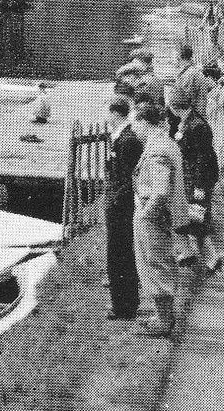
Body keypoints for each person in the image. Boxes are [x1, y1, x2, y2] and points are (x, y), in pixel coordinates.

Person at [131, 103, 190, 337]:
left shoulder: (158, 150)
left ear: (145, 122)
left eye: (136, 122)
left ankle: (164, 321)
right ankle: (162, 314)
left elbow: (161, 190)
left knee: (155, 264)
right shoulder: (166, 144)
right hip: (162, 214)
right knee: (157, 262)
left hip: (154, 215)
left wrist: (145, 213)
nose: (134, 128)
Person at [170, 97, 223, 273]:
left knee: (197, 217)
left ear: (177, 108)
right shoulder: (188, 121)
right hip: (191, 177)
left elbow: (202, 158)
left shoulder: (197, 125)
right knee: (193, 217)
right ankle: (196, 255)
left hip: (198, 179)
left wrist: (199, 186)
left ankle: (211, 259)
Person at [105, 98, 143, 321]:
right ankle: (123, 303)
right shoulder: (121, 137)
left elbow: (131, 178)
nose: (106, 118)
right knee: (118, 254)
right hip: (118, 205)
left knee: (120, 255)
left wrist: (115, 200)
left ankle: (124, 306)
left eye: (108, 113)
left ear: (115, 113)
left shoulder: (127, 140)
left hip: (121, 208)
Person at [169, 45, 216, 118]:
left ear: (179, 57)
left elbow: (182, 100)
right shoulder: (192, 71)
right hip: (196, 116)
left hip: (192, 119)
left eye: (173, 57)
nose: (172, 60)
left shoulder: (189, 73)